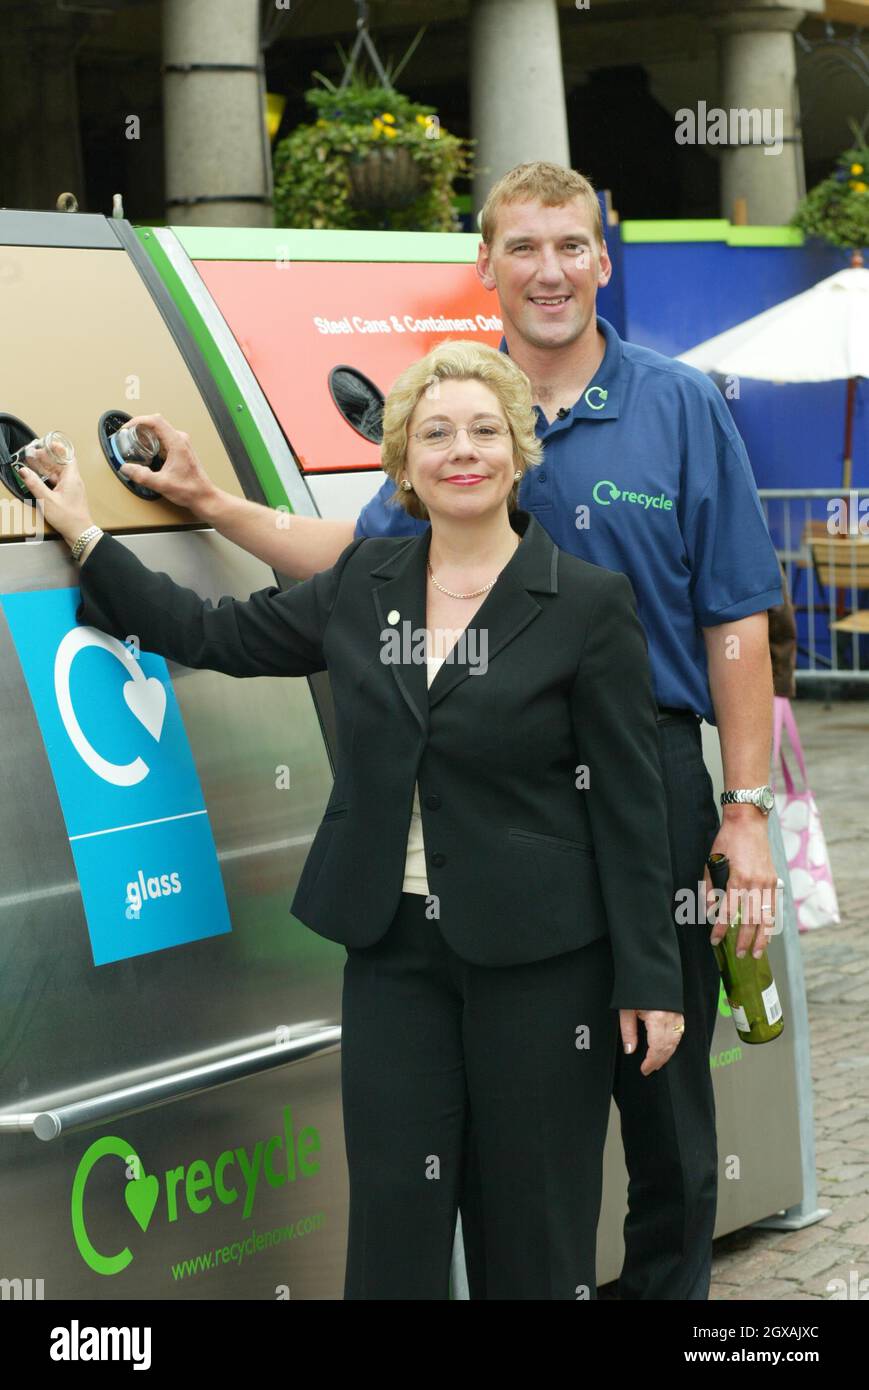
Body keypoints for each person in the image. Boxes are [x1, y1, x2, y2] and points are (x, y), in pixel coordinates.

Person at [88, 162, 783, 1301]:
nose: (548, 270)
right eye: (522, 248)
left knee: (661, 1100)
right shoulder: (460, 409)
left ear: (602, 260)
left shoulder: (679, 405)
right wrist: (214, 506)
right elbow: (361, 569)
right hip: (490, 797)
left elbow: (735, 623)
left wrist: (745, 810)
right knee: (530, 1137)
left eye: (571, 246)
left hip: (644, 778)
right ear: (487, 265)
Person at [20, 340, 685, 1301]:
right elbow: (210, 632)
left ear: (518, 452)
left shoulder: (586, 604)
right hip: (393, 957)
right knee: (392, 1227)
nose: (463, 450)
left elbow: (629, 807)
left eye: (485, 431)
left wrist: (649, 978)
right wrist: (86, 535)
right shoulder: (363, 582)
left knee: (533, 1232)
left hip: (541, 967)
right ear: (405, 460)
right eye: (436, 432)